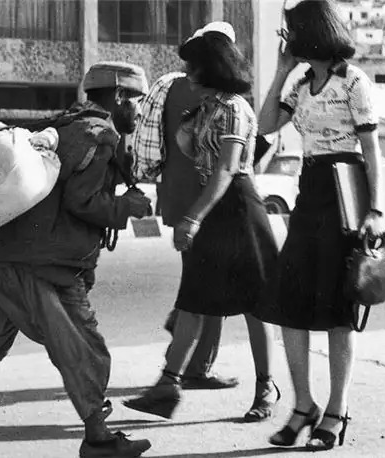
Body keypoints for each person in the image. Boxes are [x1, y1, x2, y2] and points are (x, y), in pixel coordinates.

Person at [0, 62, 154, 458]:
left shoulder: (62, 124)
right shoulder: (100, 133)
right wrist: (127, 205)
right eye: (137, 102)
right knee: (83, 349)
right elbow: (83, 202)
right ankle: (99, 438)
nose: (140, 112)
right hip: (48, 270)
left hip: (0, 260)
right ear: (118, 97)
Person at [123, 22, 280, 423]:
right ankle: (166, 386)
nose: (188, 73)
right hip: (210, 206)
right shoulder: (206, 107)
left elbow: (227, 170)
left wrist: (191, 217)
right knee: (192, 299)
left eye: (193, 66)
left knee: (255, 305)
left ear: (210, 67)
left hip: (237, 209)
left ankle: (267, 388)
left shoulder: (233, 108)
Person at [256, 0, 385, 451]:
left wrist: (376, 211)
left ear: (309, 32)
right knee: (289, 302)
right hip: (309, 193)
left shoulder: (353, 81)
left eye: (290, 32)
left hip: (346, 196)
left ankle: (337, 410)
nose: (285, 38)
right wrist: (279, 70)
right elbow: (267, 123)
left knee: (336, 311)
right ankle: (303, 405)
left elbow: (371, 152)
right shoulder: (301, 83)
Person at [130, 70, 240, 391]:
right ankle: (197, 366)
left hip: (175, 195)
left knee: (197, 277)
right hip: (203, 199)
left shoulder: (170, 85)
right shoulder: (212, 89)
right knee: (211, 284)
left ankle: (181, 331)